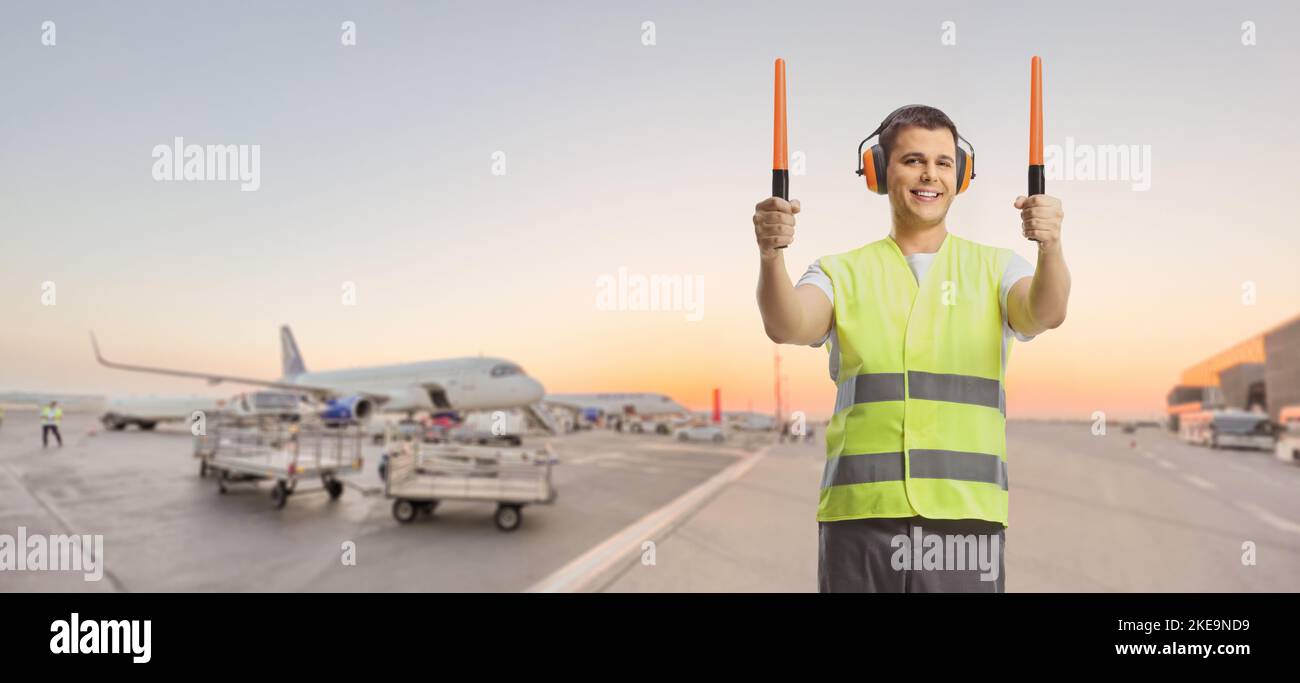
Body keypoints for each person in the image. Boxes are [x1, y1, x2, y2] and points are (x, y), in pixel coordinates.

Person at [754, 105, 1071, 592]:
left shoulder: (996, 268)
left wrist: (1050, 247)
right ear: (880, 172)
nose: (930, 175)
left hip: (965, 522)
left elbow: (1045, 311)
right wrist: (771, 256)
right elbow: (786, 324)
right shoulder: (841, 271)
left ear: (961, 175)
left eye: (944, 162)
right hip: (860, 520)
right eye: (913, 161)